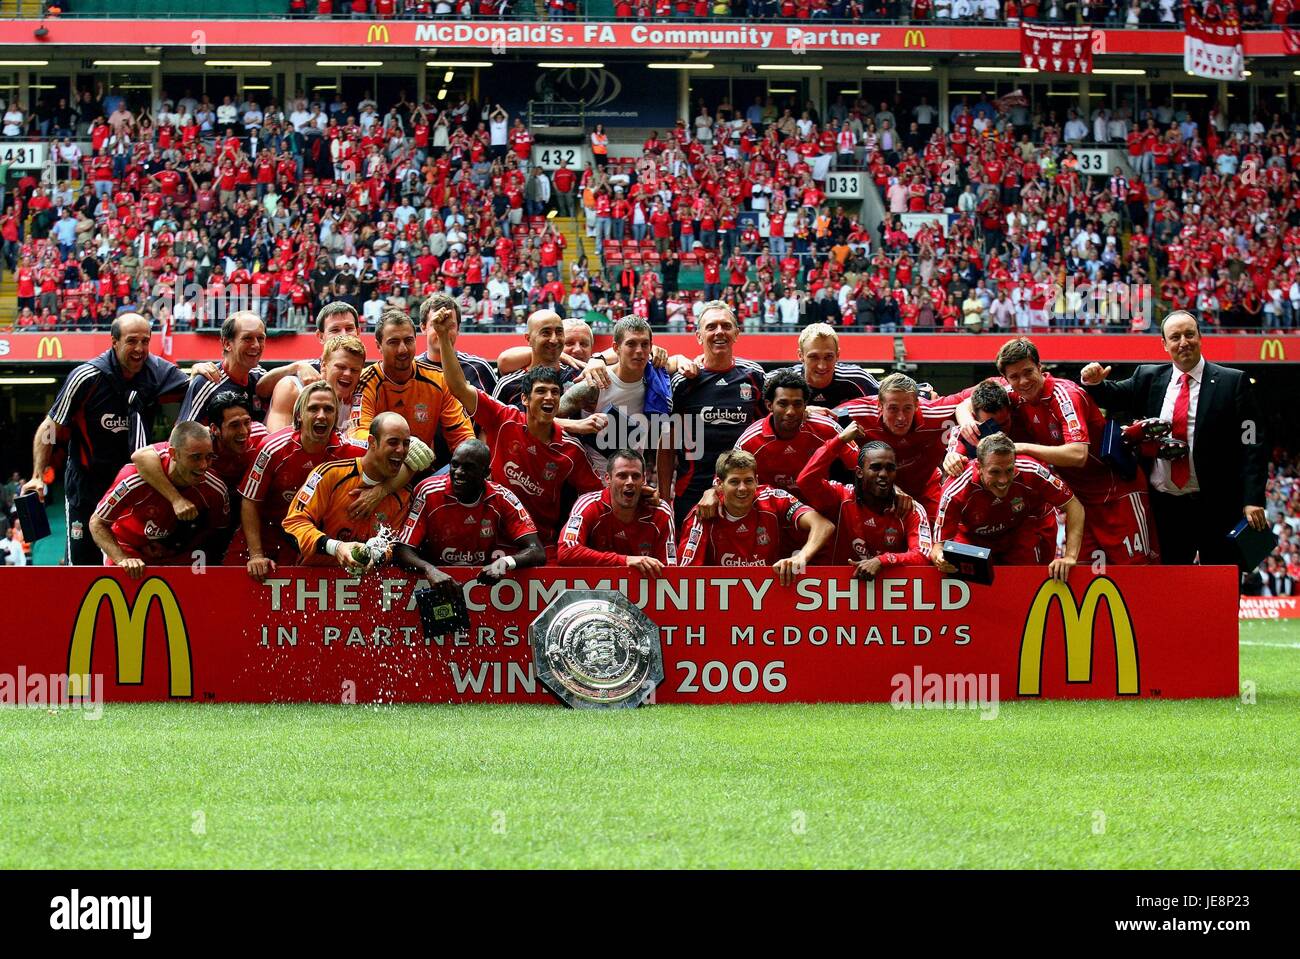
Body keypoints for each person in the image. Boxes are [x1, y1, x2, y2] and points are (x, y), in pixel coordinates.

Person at [1080, 310, 1269, 565]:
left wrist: (1252, 499)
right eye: (1175, 336)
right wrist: (1093, 382)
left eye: (1190, 334)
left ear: (1201, 337)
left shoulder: (1233, 382)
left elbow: (1252, 447)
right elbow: (1110, 394)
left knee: (1220, 587)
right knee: (1169, 587)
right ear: (1164, 344)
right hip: (1164, 508)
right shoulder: (1147, 377)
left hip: (1217, 506)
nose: (1183, 342)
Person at [962, 337, 1158, 566]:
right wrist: (967, 420)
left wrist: (1022, 448)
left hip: (1117, 493)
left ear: (1040, 368)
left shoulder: (1066, 396)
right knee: (1083, 574)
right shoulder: (1011, 392)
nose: (1023, 381)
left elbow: (1078, 455)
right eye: (1014, 376)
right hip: (1078, 500)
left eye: (1028, 372)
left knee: (1138, 571)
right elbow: (966, 401)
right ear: (1006, 379)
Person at [431, 305, 603, 554]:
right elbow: (458, 387)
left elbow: (598, 497)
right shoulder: (504, 418)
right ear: (524, 398)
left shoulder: (571, 451)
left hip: (539, 547)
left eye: (555, 393)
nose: (549, 398)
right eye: (541, 392)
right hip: (487, 540)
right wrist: (445, 339)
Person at [23, 313, 189, 565]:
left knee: (134, 563)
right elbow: (50, 427)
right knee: (82, 565)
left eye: (146, 341)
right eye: (132, 341)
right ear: (114, 342)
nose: (140, 349)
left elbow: (194, 389)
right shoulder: (86, 377)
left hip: (131, 485)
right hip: (86, 486)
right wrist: (37, 476)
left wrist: (199, 370)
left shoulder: (158, 371)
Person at [230, 382, 368, 579]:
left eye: (328, 409)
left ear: (336, 417)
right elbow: (250, 501)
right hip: (264, 536)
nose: (321, 415)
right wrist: (256, 554)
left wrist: (379, 490)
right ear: (299, 415)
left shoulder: (352, 451)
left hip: (308, 540)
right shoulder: (272, 448)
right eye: (313, 408)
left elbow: (393, 460)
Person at [657, 301, 767, 529]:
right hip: (692, 492)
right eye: (711, 327)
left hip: (742, 490)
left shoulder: (754, 376)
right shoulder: (682, 381)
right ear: (698, 336)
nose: (719, 332)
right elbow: (666, 444)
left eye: (726, 326)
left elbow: (770, 428)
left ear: (736, 333)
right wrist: (664, 496)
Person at [931, 432, 1085, 584]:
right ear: (979, 467)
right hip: (972, 537)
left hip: (1017, 531)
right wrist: (941, 558)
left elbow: (1074, 506)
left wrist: (1070, 556)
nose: (1003, 480)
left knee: (1028, 583)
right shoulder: (956, 489)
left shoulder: (1031, 470)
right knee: (965, 577)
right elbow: (938, 547)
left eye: (1009, 470)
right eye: (995, 472)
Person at [395, 439, 546, 587]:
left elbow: (536, 551)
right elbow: (402, 550)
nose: (458, 472)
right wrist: (429, 570)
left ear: (486, 473)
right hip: (435, 582)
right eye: (454, 465)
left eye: (468, 467)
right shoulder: (428, 492)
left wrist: (504, 563)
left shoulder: (504, 498)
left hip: (482, 583)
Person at [90, 421, 231, 578]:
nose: (204, 465)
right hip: (129, 553)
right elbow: (97, 523)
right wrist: (123, 559)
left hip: (181, 557)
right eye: (196, 457)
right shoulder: (132, 479)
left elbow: (220, 535)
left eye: (209, 457)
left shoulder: (215, 489)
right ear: (173, 454)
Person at [282, 411, 415, 571]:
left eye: (406, 443)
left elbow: (393, 546)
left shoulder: (404, 494)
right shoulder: (329, 474)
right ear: (372, 442)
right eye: (393, 442)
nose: (401, 450)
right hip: (314, 581)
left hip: (365, 585)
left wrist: (376, 555)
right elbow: (292, 525)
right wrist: (336, 547)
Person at [678, 450, 833, 586]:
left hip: (768, 595)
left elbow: (823, 525)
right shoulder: (704, 513)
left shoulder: (772, 498)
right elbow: (683, 576)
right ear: (719, 484)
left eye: (748, 481)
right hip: (721, 599)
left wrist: (801, 557)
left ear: (757, 481)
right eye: (734, 482)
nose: (742, 488)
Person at [795, 426, 932, 578]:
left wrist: (882, 561)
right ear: (859, 472)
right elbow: (805, 480)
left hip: (888, 595)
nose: (883, 474)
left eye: (890, 468)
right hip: (835, 590)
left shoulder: (909, 508)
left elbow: (923, 556)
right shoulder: (840, 497)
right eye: (875, 468)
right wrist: (839, 441)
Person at [350, 308, 474, 463]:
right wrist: (399, 443)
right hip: (379, 474)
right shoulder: (365, 382)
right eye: (393, 342)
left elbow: (462, 435)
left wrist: (471, 456)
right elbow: (357, 436)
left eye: (408, 341)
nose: (403, 349)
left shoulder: (438, 380)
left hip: (424, 472)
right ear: (378, 345)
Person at [558, 316, 673, 477]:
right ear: (616, 348)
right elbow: (542, 421)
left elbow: (676, 362)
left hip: (632, 486)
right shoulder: (594, 384)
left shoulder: (657, 380)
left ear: (651, 347)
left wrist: (681, 360)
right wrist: (577, 425)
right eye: (631, 344)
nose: (639, 351)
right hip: (592, 489)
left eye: (644, 344)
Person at [835, 373, 958, 521]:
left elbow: (980, 392)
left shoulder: (936, 412)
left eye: (907, 408)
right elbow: (818, 420)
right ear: (879, 405)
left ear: (917, 405)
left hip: (926, 490)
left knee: (940, 538)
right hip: (874, 495)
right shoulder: (856, 413)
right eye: (893, 409)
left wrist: (966, 419)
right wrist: (809, 411)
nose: (901, 417)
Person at [731, 368, 857, 496]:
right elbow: (728, 478)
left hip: (819, 505)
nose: (790, 411)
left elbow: (860, 466)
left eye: (797, 404)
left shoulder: (826, 427)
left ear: (805, 405)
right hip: (772, 509)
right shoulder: (749, 440)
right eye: (783, 404)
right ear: (769, 405)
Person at [558, 448, 677, 575]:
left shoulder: (660, 512)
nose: (630, 482)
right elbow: (566, 551)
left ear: (643, 480)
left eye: (636, 476)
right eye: (622, 475)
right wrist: (625, 560)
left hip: (643, 591)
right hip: (595, 591)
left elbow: (670, 569)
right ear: (608, 478)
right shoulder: (588, 504)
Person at [264, 302, 365, 431]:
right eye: (335, 330)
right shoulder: (294, 385)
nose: (343, 334)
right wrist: (296, 367)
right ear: (320, 336)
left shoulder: (366, 384)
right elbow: (278, 445)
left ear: (358, 332)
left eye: (349, 328)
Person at [492, 309, 582, 408]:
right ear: (528, 339)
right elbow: (494, 422)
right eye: (546, 333)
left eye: (559, 332)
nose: (554, 339)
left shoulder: (578, 376)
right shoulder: (509, 384)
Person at [780, 322, 880, 409]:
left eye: (828, 357)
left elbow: (889, 402)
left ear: (837, 355)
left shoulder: (858, 379)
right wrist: (802, 411)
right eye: (813, 357)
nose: (822, 366)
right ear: (800, 355)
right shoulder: (782, 382)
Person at [417, 292, 497, 394]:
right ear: (423, 328)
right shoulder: (412, 370)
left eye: (450, 326)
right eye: (436, 324)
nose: (443, 331)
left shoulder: (479, 368)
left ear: (458, 329)